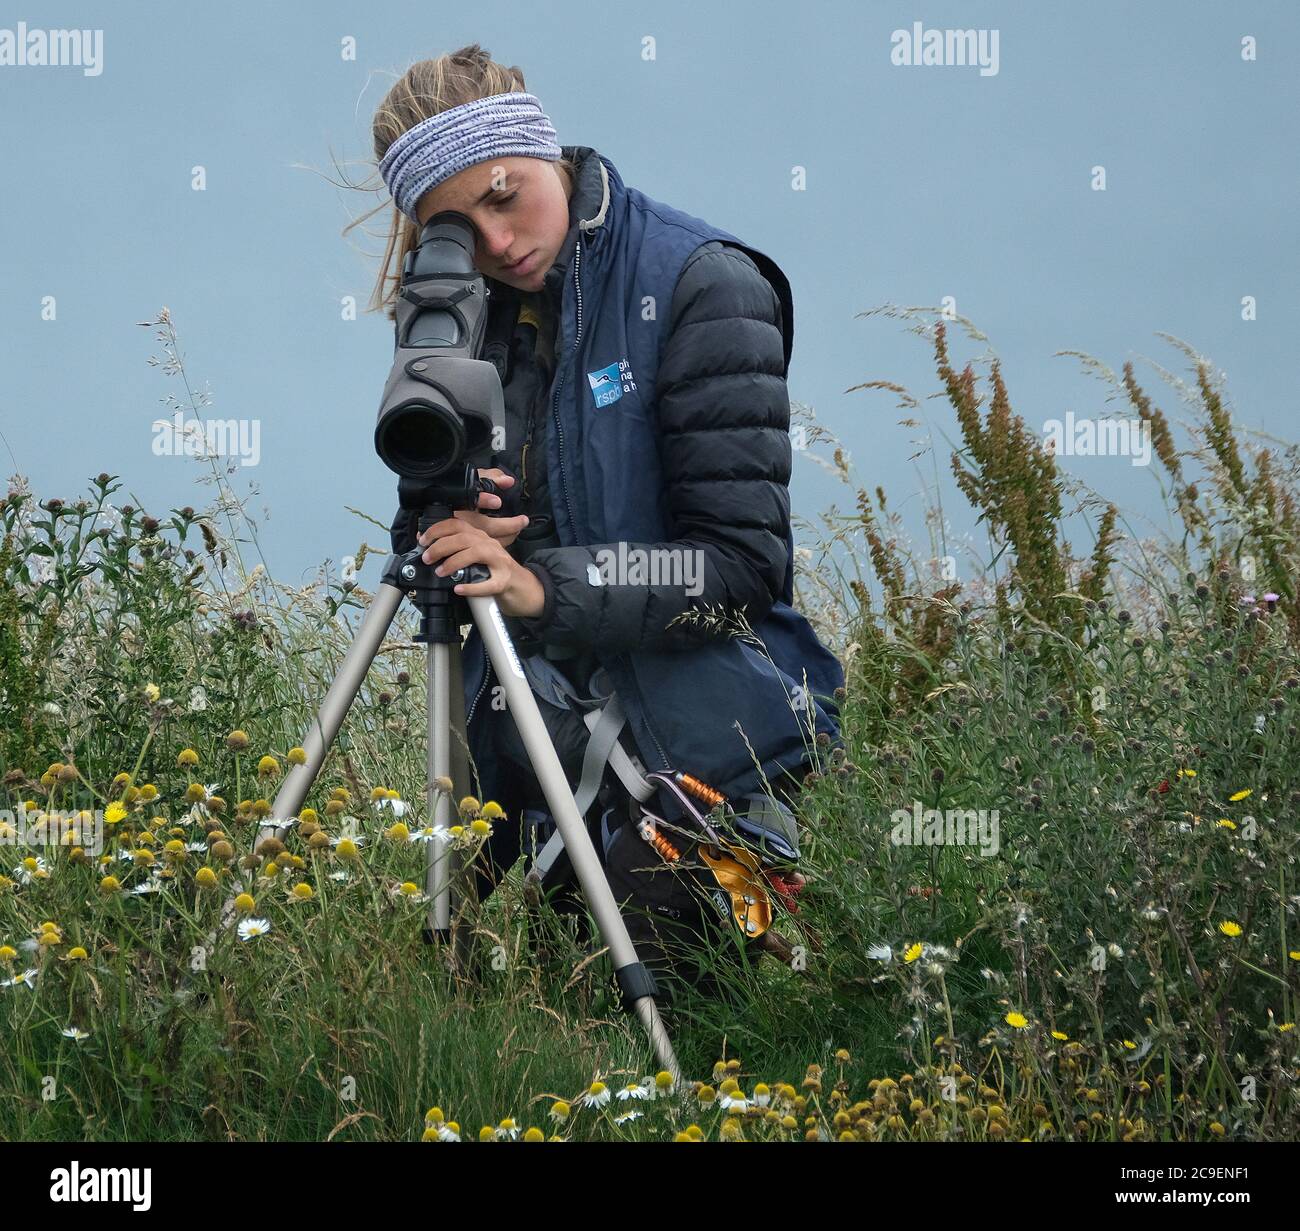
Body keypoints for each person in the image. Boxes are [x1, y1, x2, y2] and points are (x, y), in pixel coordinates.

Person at [362, 44, 844, 1006]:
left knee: (650, 1015)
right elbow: (428, 539)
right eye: (459, 227)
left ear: (549, 154)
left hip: (701, 750)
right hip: (534, 742)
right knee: (494, 1022)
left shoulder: (703, 286)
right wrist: (465, 526)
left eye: (507, 195)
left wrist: (543, 585)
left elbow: (742, 569)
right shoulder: (468, 316)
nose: (498, 242)